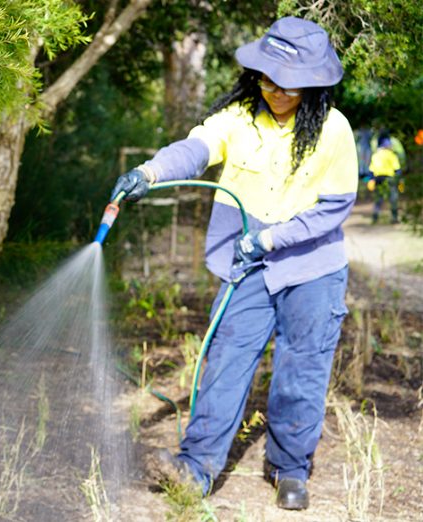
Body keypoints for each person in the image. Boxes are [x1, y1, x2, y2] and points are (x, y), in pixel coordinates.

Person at [110, 17, 356, 511]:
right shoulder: (240, 117)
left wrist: (268, 238)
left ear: (312, 83)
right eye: (267, 79)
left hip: (312, 269)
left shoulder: (333, 130)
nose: (277, 91)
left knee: (301, 370)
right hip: (249, 269)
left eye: (289, 84)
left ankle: (289, 468)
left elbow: (332, 208)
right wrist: (149, 172)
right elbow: (195, 149)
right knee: (225, 362)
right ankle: (195, 467)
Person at [368, 132, 402, 224]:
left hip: (378, 179)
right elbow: (397, 169)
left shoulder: (375, 155)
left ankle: (375, 218)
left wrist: (371, 179)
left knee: (378, 198)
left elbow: (371, 170)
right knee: (393, 198)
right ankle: (394, 218)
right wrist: (400, 181)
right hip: (389, 179)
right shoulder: (392, 155)